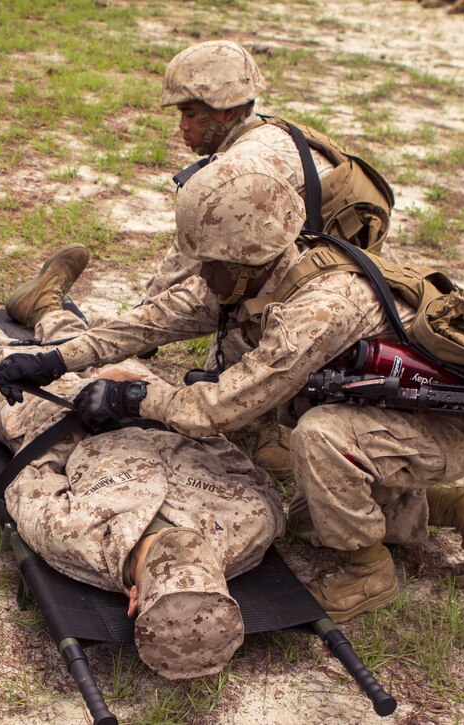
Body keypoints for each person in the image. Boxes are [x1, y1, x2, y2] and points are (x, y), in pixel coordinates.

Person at [0, 155, 464, 623]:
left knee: (320, 440)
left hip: (448, 428)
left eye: (209, 264)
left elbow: (219, 409)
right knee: (306, 509)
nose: (201, 273)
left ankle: (367, 572)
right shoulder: (262, 271)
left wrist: (133, 397)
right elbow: (156, 320)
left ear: (246, 260)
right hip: (397, 415)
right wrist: (57, 358)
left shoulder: (318, 309)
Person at [0, 246, 284, 679]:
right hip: (147, 410)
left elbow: (30, 475)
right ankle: (45, 306)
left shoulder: (75, 537)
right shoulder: (252, 525)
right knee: (103, 355)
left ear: (131, 600)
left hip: (64, 424)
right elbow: (241, 466)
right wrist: (142, 403)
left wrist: (76, 419)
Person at [125, 40, 395, 478]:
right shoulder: (268, 134)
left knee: (238, 313)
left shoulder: (250, 165)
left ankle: (276, 425)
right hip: (333, 268)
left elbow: (193, 258)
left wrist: (144, 327)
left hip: (325, 293)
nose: (182, 127)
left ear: (227, 112)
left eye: (191, 114)